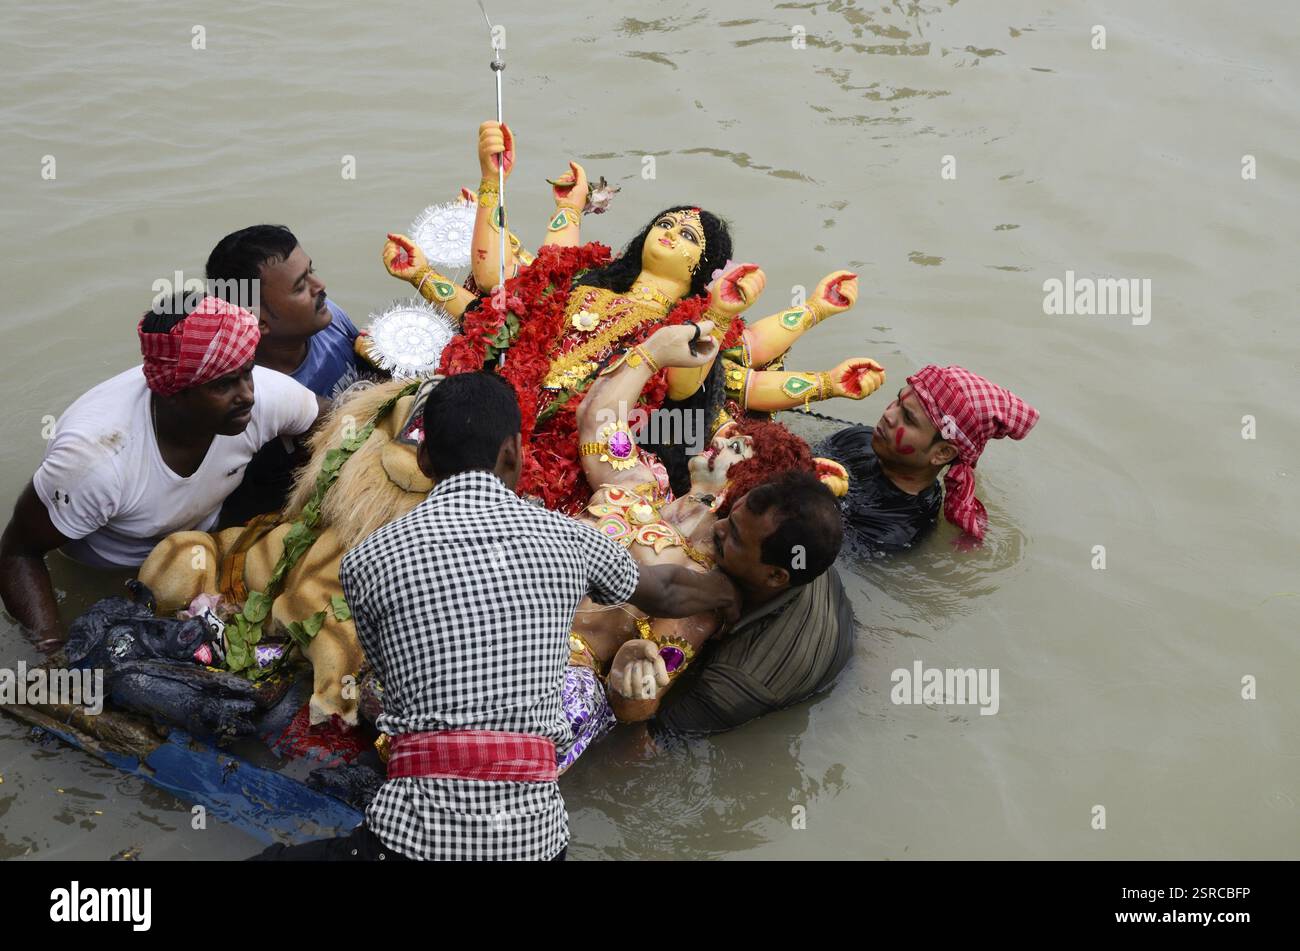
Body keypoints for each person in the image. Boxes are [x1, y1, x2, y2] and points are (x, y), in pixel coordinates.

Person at [254, 371, 741, 861]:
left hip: (409, 844)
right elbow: (665, 591)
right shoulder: (570, 538)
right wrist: (722, 590)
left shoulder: (368, 558)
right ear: (513, 453)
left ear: (423, 457)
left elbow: (391, 679)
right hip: (535, 846)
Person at [558, 320, 866, 738]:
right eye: (730, 434)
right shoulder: (644, 485)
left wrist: (627, 674)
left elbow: (639, 702)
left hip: (550, 665)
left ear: (745, 482)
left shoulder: (702, 596)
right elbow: (596, 420)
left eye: (736, 447)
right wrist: (654, 352)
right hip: (496, 598)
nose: (719, 440)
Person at [0, 295, 323, 647]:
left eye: (247, 373)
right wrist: (50, 653)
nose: (246, 395)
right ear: (173, 394)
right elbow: (18, 552)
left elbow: (336, 427)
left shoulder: (263, 396)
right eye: (223, 385)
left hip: (207, 539)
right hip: (112, 573)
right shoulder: (95, 461)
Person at [204, 225, 361, 524]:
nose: (321, 285)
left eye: (311, 271)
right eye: (301, 286)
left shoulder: (331, 318)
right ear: (258, 322)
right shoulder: (247, 402)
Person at [816, 365, 1040, 554]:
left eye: (908, 418)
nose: (889, 414)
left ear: (942, 453)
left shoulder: (892, 532)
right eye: (898, 401)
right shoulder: (857, 438)